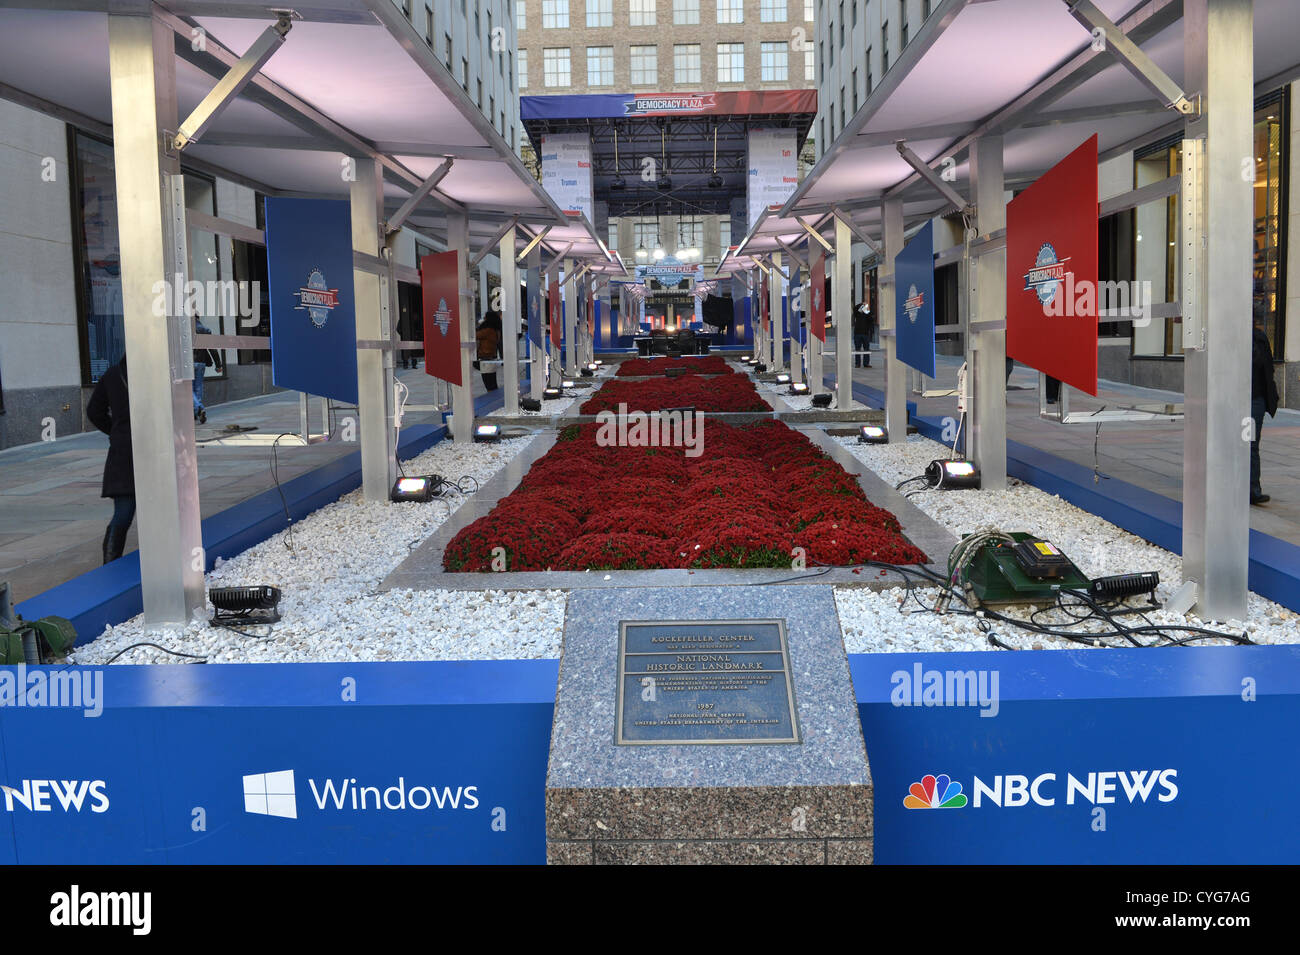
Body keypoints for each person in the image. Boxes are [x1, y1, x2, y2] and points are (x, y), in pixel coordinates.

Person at [86, 355, 135, 564]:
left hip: (124, 451)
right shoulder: (157, 373)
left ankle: (111, 563)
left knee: (123, 513)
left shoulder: (112, 374)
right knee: (162, 511)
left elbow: (93, 411)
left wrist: (115, 430)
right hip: (155, 449)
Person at [1251, 320, 1280, 505]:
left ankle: (1253, 489)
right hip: (1231, 399)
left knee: (1251, 444)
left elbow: (1266, 367)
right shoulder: (1224, 337)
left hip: (1255, 400)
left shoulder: (1259, 338)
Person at [192, 318, 219, 424]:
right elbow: (212, 349)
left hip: (189, 362)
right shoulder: (205, 330)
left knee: (188, 389)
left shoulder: (184, 329)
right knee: (198, 388)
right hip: (201, 362)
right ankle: (197, 413)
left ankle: (199, 408)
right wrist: (218, 365)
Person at [476, 309, 502, 391]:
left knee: (489, 385)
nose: (484, 319)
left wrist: (478, 325)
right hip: (492, 358)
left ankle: (494, 402)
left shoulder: (488, 331)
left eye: (485, 318)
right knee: (493, 384)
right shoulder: (496, 330)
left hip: (485, 359)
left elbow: (475, 335)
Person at [853, 298, 875, 368]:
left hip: (865, 333)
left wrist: (867, 310)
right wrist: (862, 304)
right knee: (857, 349)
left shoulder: (867, 313)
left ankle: (866, 363)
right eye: (863, 307)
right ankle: (857, 364)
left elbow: (871, 319)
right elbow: (854, 308)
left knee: (866, 349)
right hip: (857, 333)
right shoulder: (857, 313)